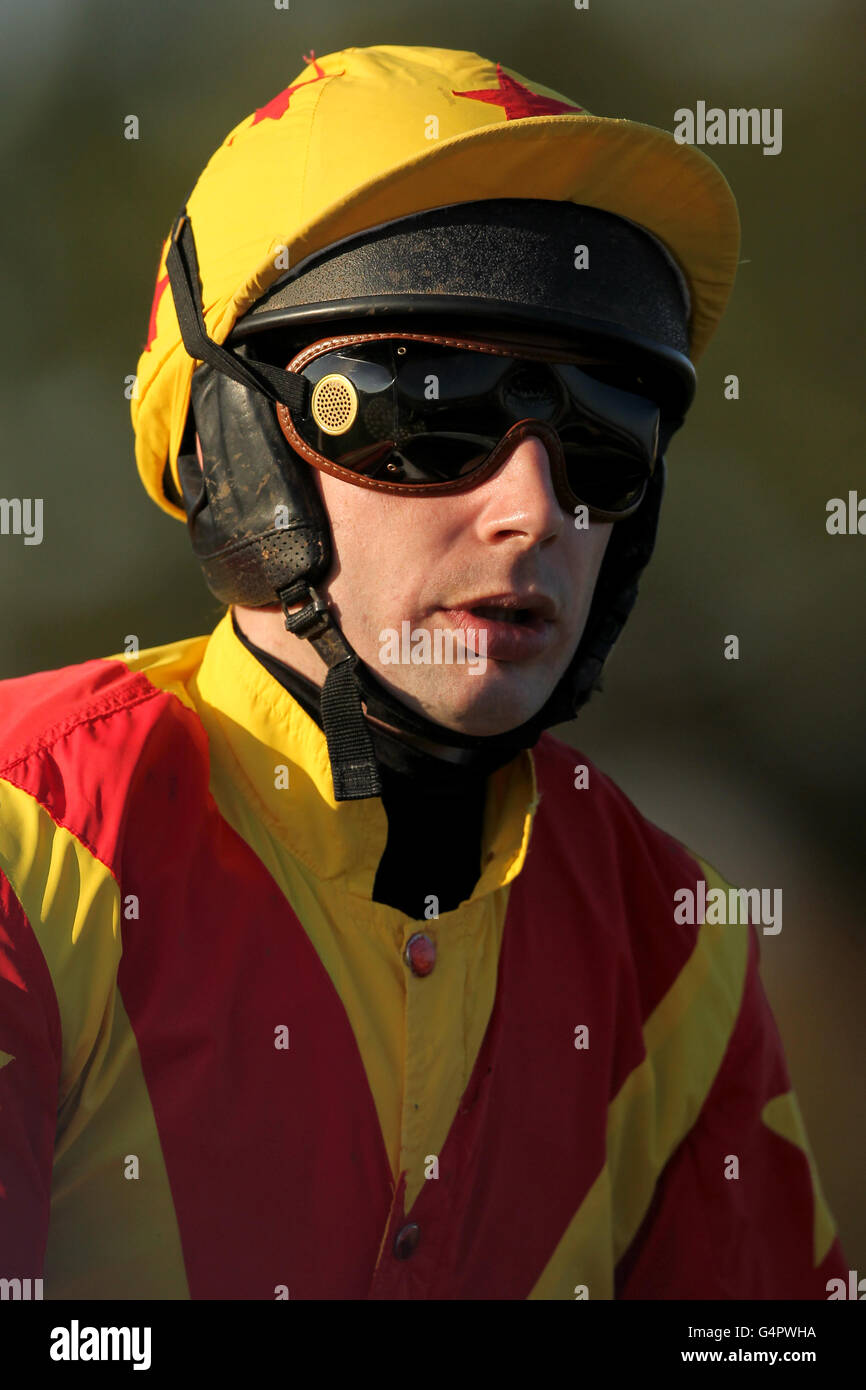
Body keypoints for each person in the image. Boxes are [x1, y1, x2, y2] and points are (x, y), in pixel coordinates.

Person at [0, 44, 847, 1300]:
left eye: (601, 440)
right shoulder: (27, 834)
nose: (530, 509)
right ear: (236, 454)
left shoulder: (675, 942)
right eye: (423, 410)